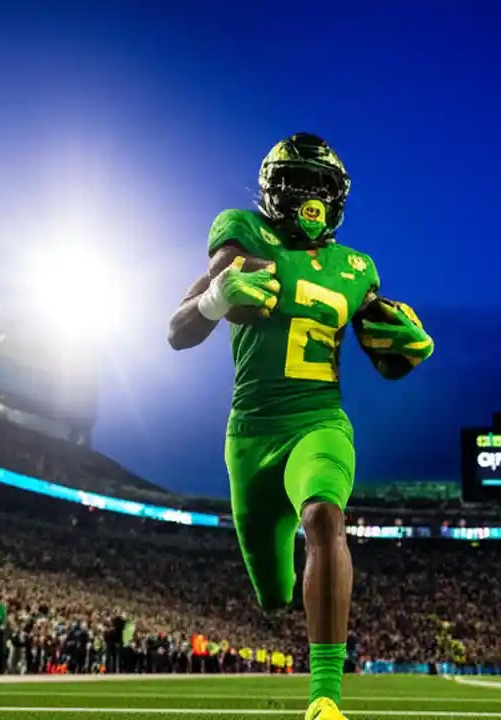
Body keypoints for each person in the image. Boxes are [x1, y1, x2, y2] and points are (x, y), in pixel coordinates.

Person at [167, 132, 433, 720]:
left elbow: (387, 357)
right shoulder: (244, 234)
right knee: (272, 594)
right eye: (300, 185)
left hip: (320, 422)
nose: (311, 199)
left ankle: (325, 697)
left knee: (323, 515)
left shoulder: (358, 268)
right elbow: (178, 331)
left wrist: (407, 344)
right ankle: (284, 591)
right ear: (273, 188)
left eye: (322, 188)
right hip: (252, 435)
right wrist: (213, 298)